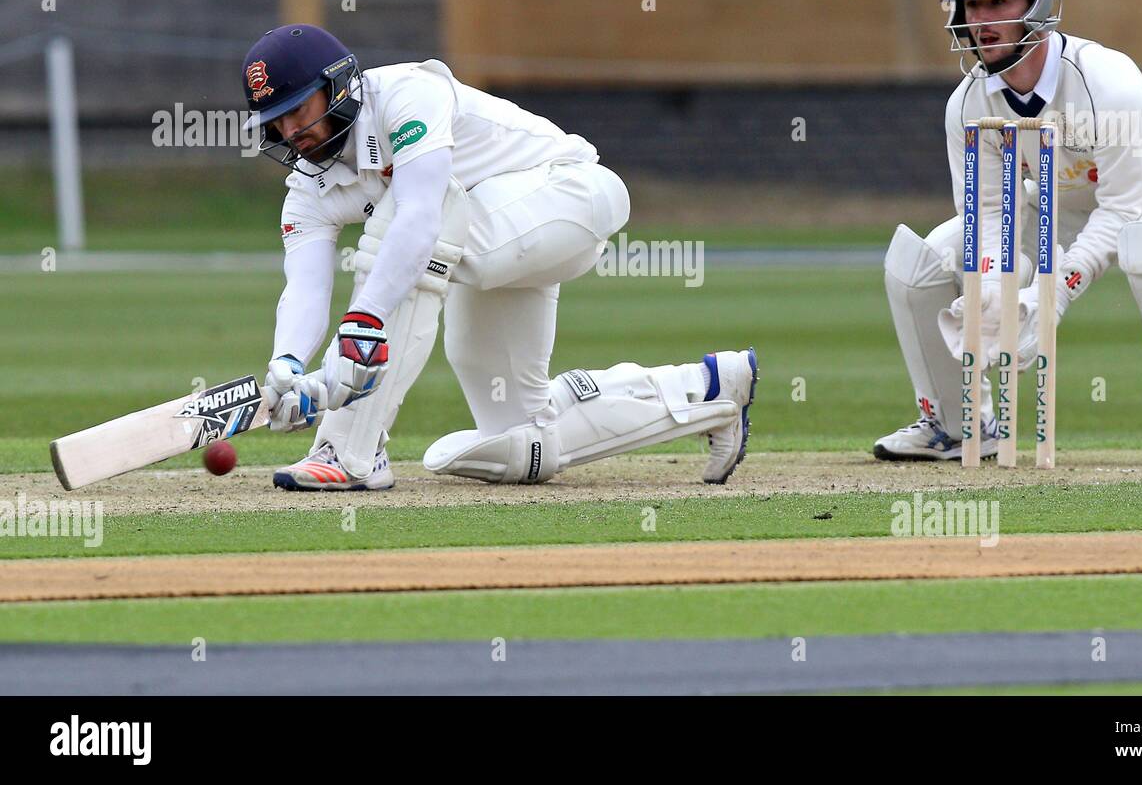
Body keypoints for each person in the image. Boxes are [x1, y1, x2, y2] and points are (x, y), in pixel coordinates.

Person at [241, 24, 757, 491]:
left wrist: (360, 329)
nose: (290, 133)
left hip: (570, 195)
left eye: (298, 111)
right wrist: (287, 366)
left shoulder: (405, 95)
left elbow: (420, 217)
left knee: (416, 221)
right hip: (490, 245)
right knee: (524, 442)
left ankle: (351, 449)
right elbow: (305, 287)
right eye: (275, 123)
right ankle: (710, 388)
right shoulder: (307, 189)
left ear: (338, 85)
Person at [874, 0, 1142, 465]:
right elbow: (989, 214)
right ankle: (954, 425)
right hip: (1056, 206)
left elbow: (1121, 210)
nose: (982, 20)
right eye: (973, 4)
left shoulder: (1106, 82)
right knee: (920, 262)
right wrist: (998, 293)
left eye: (998, 2)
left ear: (1038, 6)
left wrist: (1050, 297)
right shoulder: (967, 104)